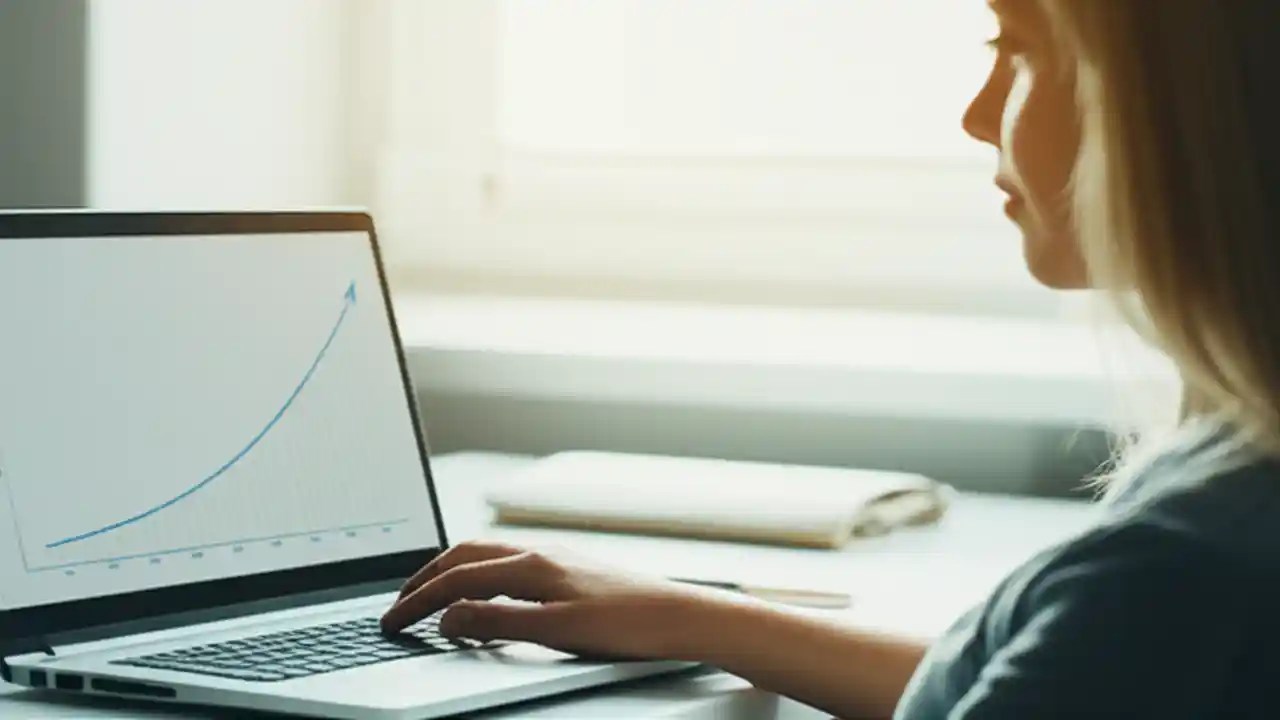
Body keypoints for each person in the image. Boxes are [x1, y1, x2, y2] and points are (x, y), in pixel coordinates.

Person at [381, 1, 1280, 717]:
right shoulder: (1227, 480)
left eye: (1020, 49)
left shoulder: (1173, 570)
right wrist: (692, 615)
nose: (976, 116)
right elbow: (1052, 681)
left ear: (1169, 103)